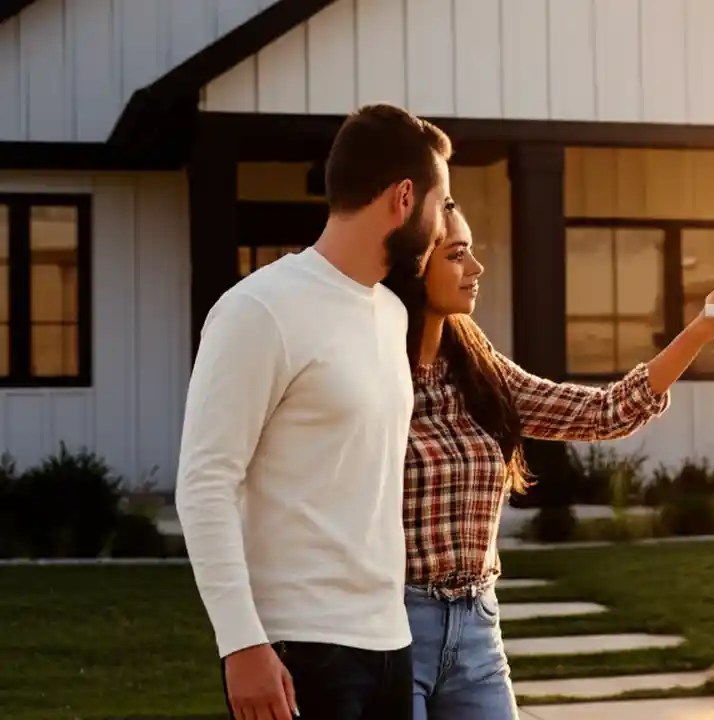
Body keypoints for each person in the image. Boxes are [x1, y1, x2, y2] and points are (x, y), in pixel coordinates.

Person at [379, 208, 714, 719]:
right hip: (396, 628)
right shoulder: (371, 373)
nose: (476, 267)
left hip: (476, 628)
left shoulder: (479, 370)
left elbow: (603, 413)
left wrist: (699, 330)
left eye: (473, 251)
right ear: (414, 267)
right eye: (456, 255)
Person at [175, 104, 454, 720]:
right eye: (442, 204)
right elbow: (204, 483)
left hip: (389, 641)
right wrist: (242, 642)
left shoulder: (392, 313)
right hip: (297, 651)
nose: (442, 227)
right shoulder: (260, 310)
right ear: (405, 198)